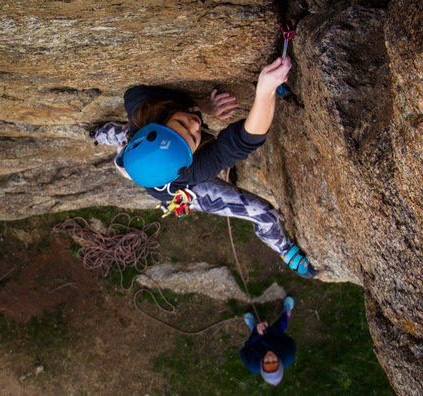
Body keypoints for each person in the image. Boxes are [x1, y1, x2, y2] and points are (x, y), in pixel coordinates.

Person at [94, 57, 316, 278]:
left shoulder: (138, 101)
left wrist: (201, 104)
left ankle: (103, 135)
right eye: (193, 137)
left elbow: (150, 110)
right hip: (180, 187)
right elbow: (244, 140)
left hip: (145, 151)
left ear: (159, 121)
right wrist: (265, 91)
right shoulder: (195, 170)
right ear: (190, 157)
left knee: (127, 140)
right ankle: (284, 249)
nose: (195, 124)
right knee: (264, 213)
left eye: (181, 124)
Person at [240, 296, 297, 386]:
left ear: (262, 365)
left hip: (257, 341)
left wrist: (257, 335)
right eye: (274, 361)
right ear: (280, 362)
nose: (270, 358)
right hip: (276, 336)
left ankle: (254, 328)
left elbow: (244, 350)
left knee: (255, 332)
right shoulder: (288, 355)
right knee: (281, 324)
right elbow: (291, 342)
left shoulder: (253, 365)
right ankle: (286, 312)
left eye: (267, 362)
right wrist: (274, 332)